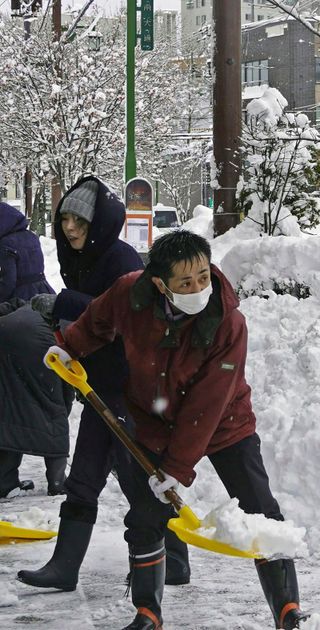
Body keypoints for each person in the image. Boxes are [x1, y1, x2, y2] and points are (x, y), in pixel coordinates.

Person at [46, 230, 303, 630]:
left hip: (225, 423)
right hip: (153, 421)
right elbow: (97, 320)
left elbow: (208, 403)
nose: (198, 288)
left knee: (261, 511)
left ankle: (288, 610)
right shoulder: (130, 294)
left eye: (203, 276)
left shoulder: (227, 321)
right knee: (145, 516)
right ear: (159, 283)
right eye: (185, 282)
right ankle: (148, 612)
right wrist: (69, 346)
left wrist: (177, 468)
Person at [18, 177, 192, 591]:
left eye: (79, 221)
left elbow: (128, 317)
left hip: (132, 389)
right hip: (100, 386)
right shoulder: (81, 258)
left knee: (138, 477)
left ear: (98, 223)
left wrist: (63, 304)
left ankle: (174, 559)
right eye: (65, 219)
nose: (70, 228)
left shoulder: (121, 258)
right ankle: (64, 567)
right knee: (84, 477)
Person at [0, 201, 67, 498]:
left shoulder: (5, 246)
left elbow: (6, 284)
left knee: (10, 401)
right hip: (42, 305)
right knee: (53, 397)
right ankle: (56, 479)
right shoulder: (28, 237)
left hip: (15, 314)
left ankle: (6, 479)